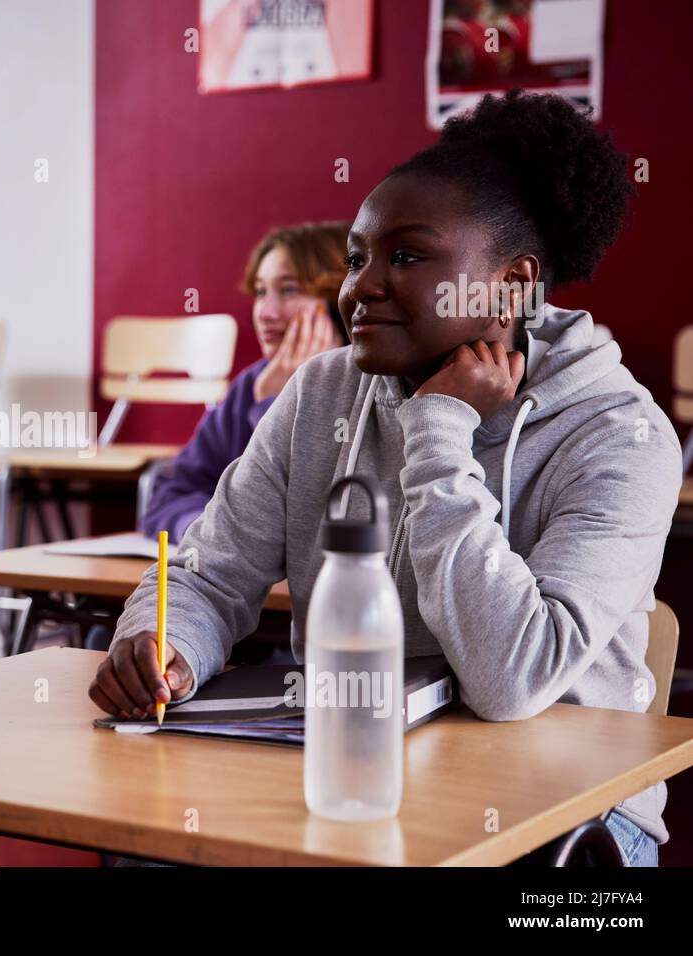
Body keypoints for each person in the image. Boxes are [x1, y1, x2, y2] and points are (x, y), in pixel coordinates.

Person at [91, 90, 680, 866]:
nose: (359, 289)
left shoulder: (620, 436)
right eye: (356, 259)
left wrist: (438, 432)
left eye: (405, 257)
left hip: (568, 827)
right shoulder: (321, 393)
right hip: (355, 779)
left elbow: (512, 680)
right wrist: (164, 642)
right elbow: (207, 575)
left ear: (512, 284)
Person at [140, 222, 350, 543]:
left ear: (338, 297)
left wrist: (273, 408)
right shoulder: (252, 384)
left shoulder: (373, 386)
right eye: (261, 292)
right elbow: (171, 495)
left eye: (289, 289)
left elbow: (304, 517)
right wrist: (205, 532)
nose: (265, 312)